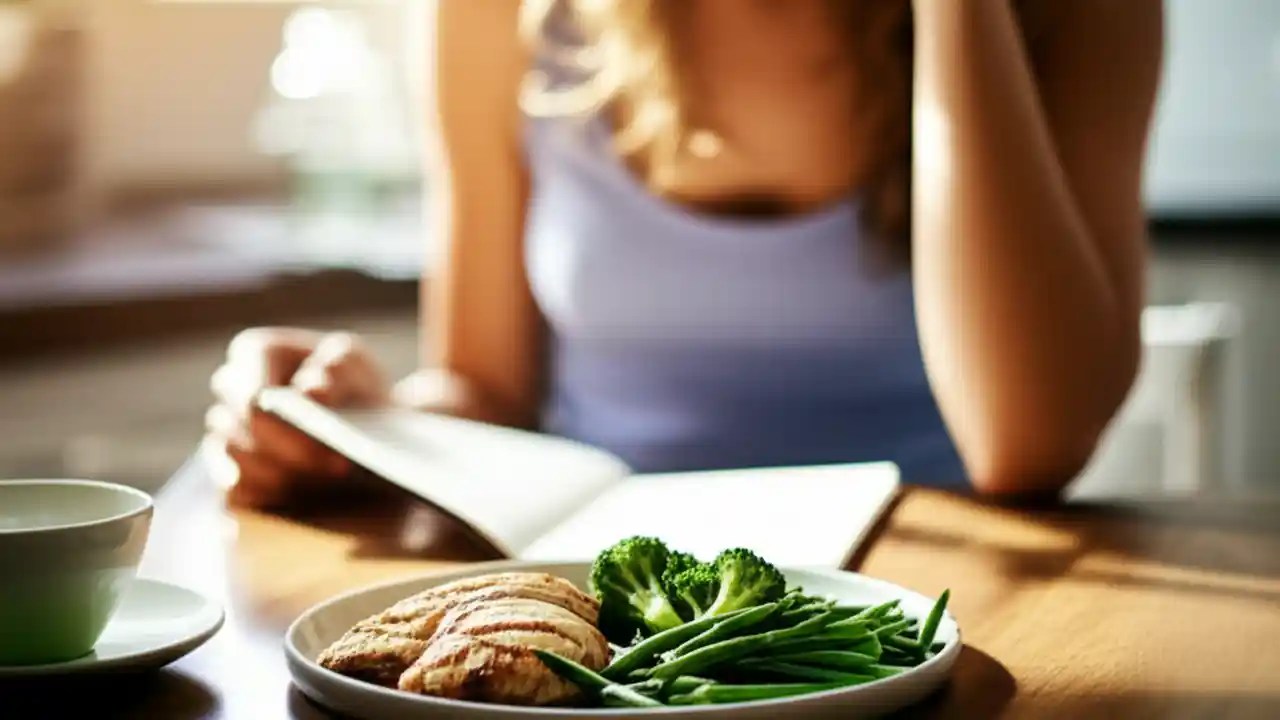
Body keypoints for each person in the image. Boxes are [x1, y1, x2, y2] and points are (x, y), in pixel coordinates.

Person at [204, 0, 1162, 508]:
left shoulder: (1072, 14)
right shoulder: (499, 13)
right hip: (620, 626)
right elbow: (485, 387)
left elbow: (1029, 447)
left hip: (952, 618)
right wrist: (360, 428)